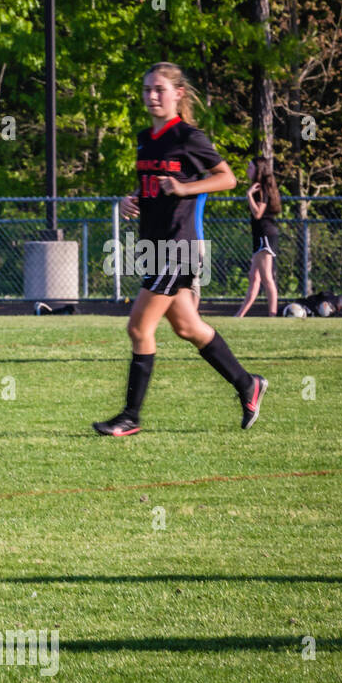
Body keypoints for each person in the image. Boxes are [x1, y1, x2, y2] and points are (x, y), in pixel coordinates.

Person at [94, 62, 267, 436]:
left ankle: (130, 417)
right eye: (146, 89)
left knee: (139, 327)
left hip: (177, 248)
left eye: (159, 89)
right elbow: (151, 185)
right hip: (153, 245)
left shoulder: (189, 136)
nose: (152, 96)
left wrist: (186, 188)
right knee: (189, 327)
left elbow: (227, 177)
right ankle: (247, 384)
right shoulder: (145, 138)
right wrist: (133, 198)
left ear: (178, 94)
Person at [233, 155, 282, 318]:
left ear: (258, 170)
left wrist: (248, 196)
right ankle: (239, 315)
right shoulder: (258, 188)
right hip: (260, 236)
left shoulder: (260, 190)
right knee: (254, 277)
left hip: (265, 236)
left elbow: (258, 213)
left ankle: (272, 315)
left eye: (250, 167)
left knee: (267, 277)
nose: (248, 170)